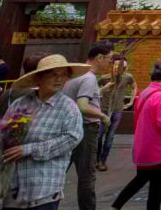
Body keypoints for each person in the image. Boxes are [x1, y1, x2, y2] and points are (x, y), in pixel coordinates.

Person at [0, 54, 86, 210]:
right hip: (9, 187)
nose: (59, 79)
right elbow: (1, 138)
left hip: (43, 189)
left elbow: (72, 138)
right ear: (39, 78)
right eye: (53, 75)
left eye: (63, 75)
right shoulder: (20, 104)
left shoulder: (69, 108)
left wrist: (28, 150)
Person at [109, 60, 161, 210]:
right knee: (156, 188)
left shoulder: (146, 92)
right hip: (157, 148)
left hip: (144, 144)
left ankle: (115, 206)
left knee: (141, 178)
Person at [63, 40, 114, 210]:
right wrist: (103, 116)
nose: (110, 62)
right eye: (109, 58)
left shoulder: (78, 75)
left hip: (69, 126)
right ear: (99, 57)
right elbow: (83, 106)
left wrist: (100, 87)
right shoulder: (89, 78)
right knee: (87, 175)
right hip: (86, 129)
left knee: (60, 168)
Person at [97, 56, 137, 172]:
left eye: (123, 67)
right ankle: (97, 159)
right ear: (112, 66)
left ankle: (103, 161)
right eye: (117, 66)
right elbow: (93, 89)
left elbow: (134, 86)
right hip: (103, 111)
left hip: (118, 111)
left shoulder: (128, 77)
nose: (119, 69)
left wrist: (131, 101)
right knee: (99, 136)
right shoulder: (105, 78)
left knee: (110, 137)